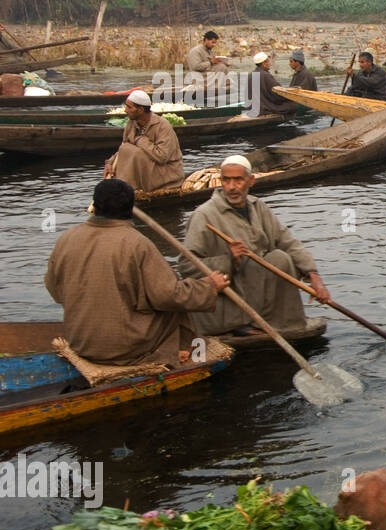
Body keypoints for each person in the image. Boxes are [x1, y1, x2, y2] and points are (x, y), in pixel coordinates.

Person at [44, 178, 228, 366]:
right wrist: (208, 286)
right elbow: (168, 295)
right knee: (176, 310)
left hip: (80, 342)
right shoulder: (137, 244)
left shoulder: (66, 238)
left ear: (95, 205)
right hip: (124, 348)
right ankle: (178, 352)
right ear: (130, 208)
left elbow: (55, 291)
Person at [182, 155, 330, 336]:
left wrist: (313, 275)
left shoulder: (257, 206)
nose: (231, 187)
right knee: (272, 260)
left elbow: (287, 241)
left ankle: (280, 321)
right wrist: (229, 259)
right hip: (230, 300)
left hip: (256, 290)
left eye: (238, 180)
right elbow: (187, 267)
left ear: (250, 181)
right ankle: (247, 324)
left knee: (280, 258)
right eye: (226, 180)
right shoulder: (204, 215)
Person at [103, 90, 184, 192]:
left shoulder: (163, 126)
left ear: (140, 110)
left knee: (135, 152)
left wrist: (140, 141)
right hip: (143, 170)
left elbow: (162, 157)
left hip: (166, 174)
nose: (125, 110)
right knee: (126, 149)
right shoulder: (131, 124)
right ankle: (124, 188)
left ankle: (126, 189)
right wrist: (110, 163)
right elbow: (122, 149)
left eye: (129, 107)